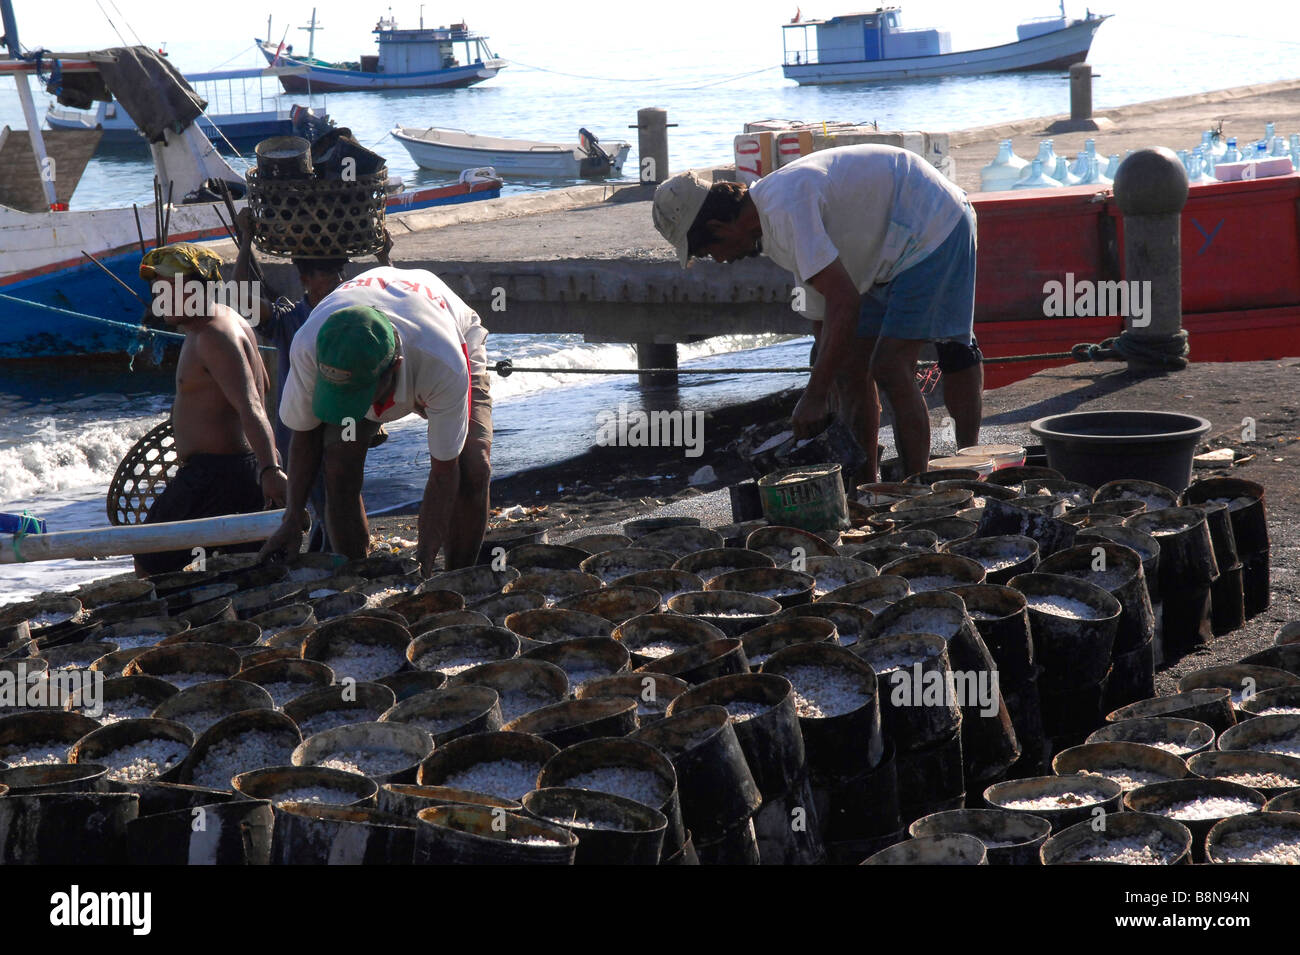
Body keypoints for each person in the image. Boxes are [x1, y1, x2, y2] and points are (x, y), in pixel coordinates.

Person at [651, 143, 984, 480]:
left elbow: (845, 304)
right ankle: (866, 487)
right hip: (884, 245)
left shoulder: (784, 207)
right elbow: (824, 319)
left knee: (893, 364)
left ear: (720, 227)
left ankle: (924, 486)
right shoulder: (770, 226)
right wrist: (824, 385)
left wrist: (814, 395)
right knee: (848, 367)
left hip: (932, 223)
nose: (720, 261)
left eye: (709, 252)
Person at [258, 266, 492, 575]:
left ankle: (457, 577)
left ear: (395, 367)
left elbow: (444, 471)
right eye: (342, 397)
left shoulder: (442, 361)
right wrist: (291, 519)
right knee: (338, 463)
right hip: (373, 343)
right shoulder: (310, 345)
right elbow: (305, 434)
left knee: (474, 467)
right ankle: (357, 575)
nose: (353, 410)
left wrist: (421, 564)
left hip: (451, 331)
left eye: (358, 396)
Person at [233, 211, 393, 549]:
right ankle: (341, 555)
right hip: (300, 431)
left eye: (338, 270)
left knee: (343, 492)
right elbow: (240, 301)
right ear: (305, 279)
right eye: (326, 272)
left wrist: (383, 257)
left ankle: (343, 554)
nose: (336, 278)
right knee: (324, 499)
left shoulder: (353, 315)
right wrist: (246, 241)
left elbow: (396, 303)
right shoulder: (290, 319)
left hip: (344, 420)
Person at [133, 243, 287, 576]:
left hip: (217, 475)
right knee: (242, 568)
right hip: (235, 470)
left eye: (167, 289)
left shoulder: (212, 336)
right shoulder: (225, 319)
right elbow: (262, 388)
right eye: (156, 289)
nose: (159, 298)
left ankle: (165, 622)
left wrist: (271, 471)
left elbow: (251, 406)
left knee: (148, 553)